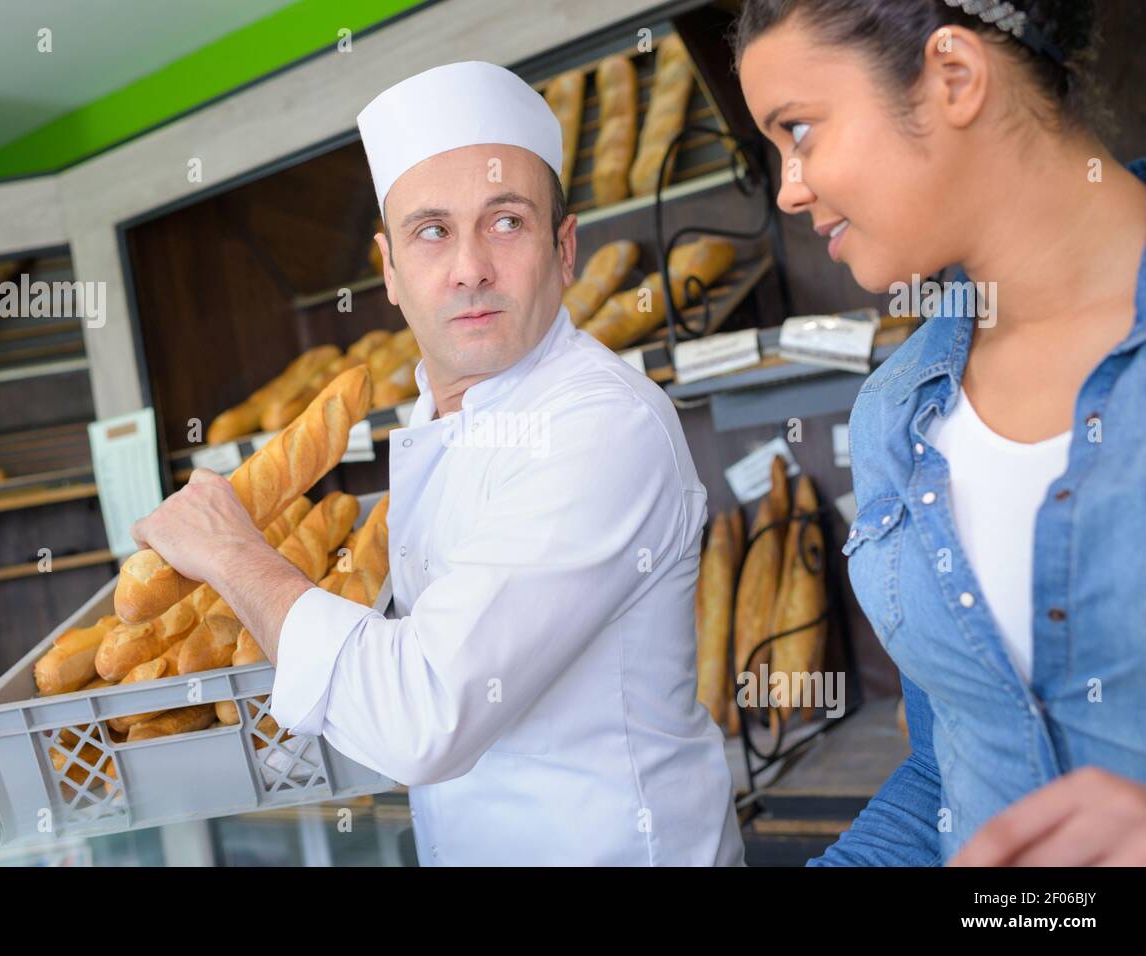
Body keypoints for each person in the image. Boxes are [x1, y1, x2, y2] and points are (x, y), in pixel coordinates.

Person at [131, 60, 744, 866]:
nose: (469, 268)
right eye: (432, 232)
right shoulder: (437, 419)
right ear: (389, 271)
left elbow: (423, 716)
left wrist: (233, 554)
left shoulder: (598, 426)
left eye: (506, 222)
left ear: (565, 250)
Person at [734, 0, 1146, 865]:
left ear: (954, 77)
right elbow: (946, 777)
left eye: (799, 128)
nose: (789, 186)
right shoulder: (896, 414)